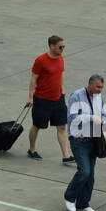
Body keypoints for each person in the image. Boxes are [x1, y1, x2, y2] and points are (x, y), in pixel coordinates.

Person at [64, 75, 106, 211]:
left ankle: (83, 203)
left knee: (91, 174)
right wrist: (90, 118)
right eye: (98, 87)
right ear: (90, 84)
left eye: (102, 87)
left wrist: (104, 121)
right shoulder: (76, 96)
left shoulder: (99, 97)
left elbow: (103, 114)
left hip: (92, 140)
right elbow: (71, 117)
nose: (100, 90)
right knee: (84, 171)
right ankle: (70, 197)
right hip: (78, 139)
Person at [26, 35, 72, 164]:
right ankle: (32, 149)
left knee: (61, 127)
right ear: (52, 46)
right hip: (42, 100)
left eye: (63, 47)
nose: (62, 49)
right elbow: (33, 79)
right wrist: (30, 97)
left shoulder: (61, 58)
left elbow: (60, 76)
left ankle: (66, 155)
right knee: (37, 126)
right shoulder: (40, 61)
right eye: (60, 47)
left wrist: (62, 92)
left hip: (58, 99)